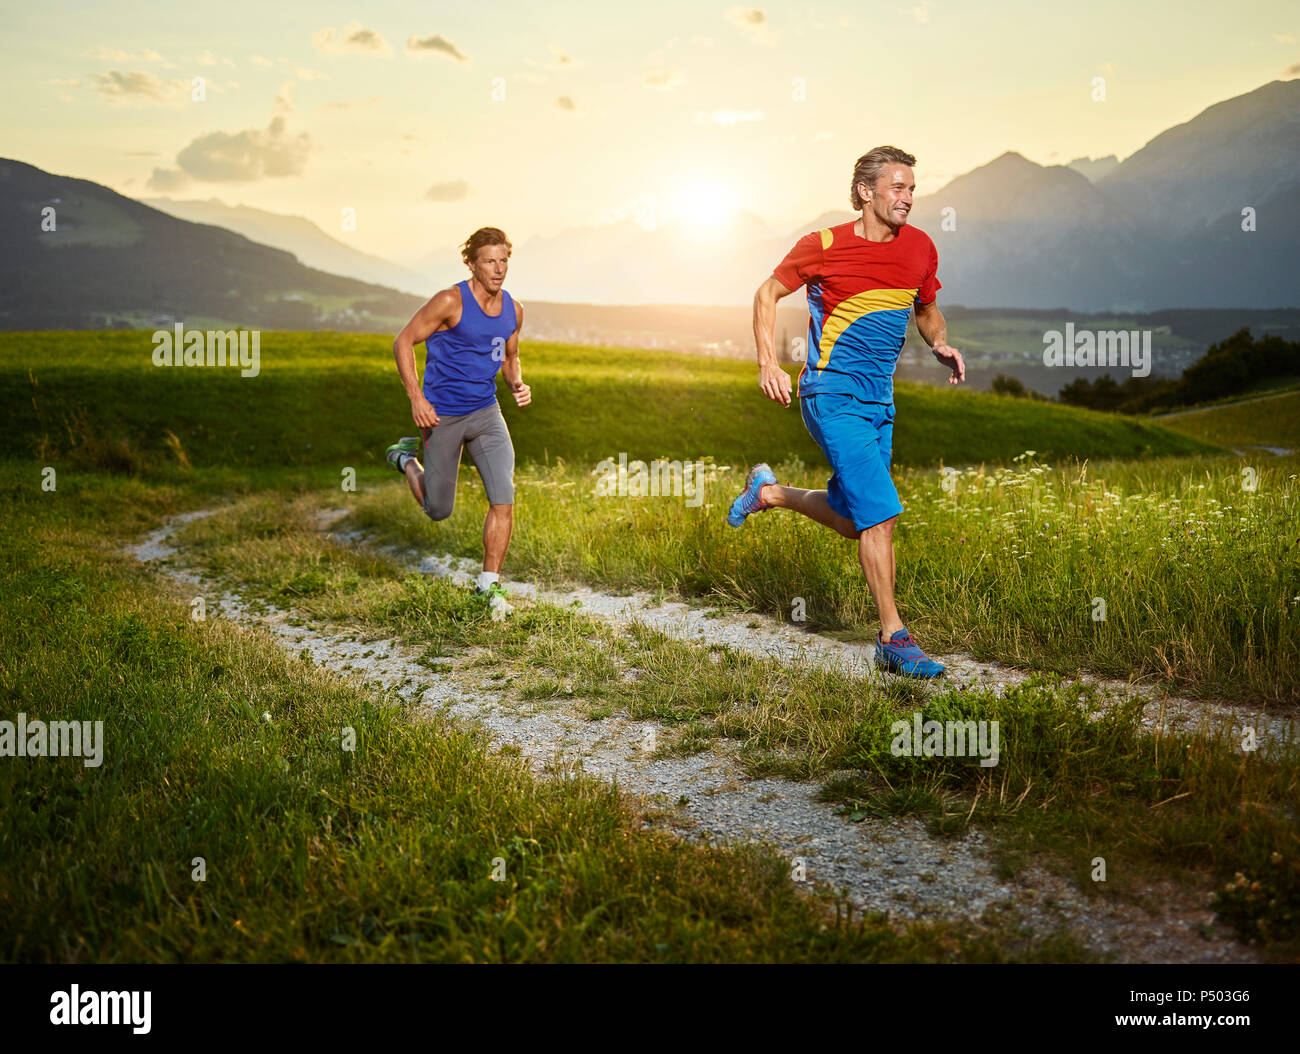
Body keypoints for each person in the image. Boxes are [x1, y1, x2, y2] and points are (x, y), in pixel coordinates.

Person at [729, 146, 965, 677]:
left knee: (855, 521)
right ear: (866, 191)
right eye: (897, 188)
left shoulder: (920, 248)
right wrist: (768, 362)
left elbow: (926, 309)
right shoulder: (824, 245)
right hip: (830, 395)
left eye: (911, 189)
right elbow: (767, 293)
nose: (907, 197)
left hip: (880, 400)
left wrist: (940, 344)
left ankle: (768, 492)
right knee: (881, 515)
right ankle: (893, 637)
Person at [386, 227, 530, 619]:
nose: (498, 269)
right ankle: (404, 460)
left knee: (504, 496)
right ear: (471, 263)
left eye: (504, 260)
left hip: (486, 412)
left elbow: (509, 355)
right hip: (441, 415)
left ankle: (488, 586)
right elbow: (403, 341)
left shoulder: (513, 309)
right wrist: (416, 398)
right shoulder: (451, 300)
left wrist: (517, 383)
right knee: (438, 509)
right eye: (489, 261)